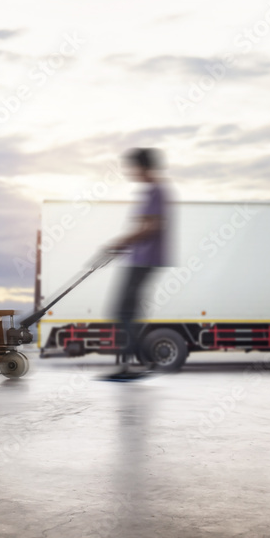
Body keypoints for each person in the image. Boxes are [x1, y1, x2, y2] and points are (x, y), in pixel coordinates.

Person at [105, 148, 169, 379]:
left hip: (145, 259)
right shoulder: (153, 192)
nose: (131, 172)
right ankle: (137, 364)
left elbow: (152, 228)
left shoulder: (157, 191)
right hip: (140, 258)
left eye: (133, 167)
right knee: (126, 312)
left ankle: (139, 364)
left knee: (122, 311)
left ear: (144, 167)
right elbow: (146, 226)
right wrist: (124, 243)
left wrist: (122, 241)